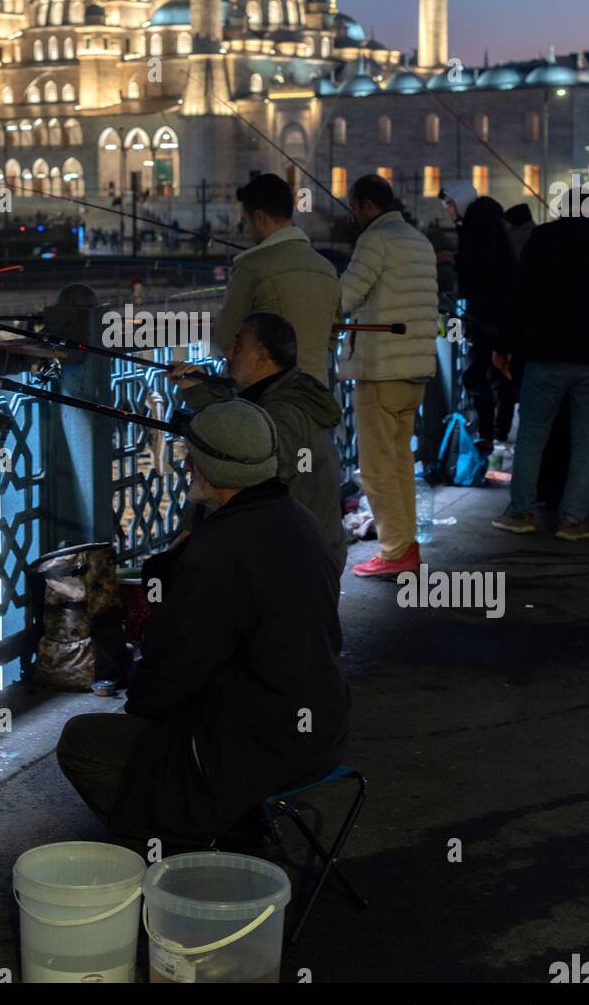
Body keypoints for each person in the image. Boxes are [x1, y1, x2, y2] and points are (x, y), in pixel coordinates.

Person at [57, 400, 350, 850]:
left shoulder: (217, 554)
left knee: (83, 741)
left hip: (262, 747)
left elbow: (163, 683)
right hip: (325, 727)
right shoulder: (299, 519)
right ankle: (228, 825)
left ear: (201, 468)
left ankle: (180, 854)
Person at [171, 311, 346, 573]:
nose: (229, 353)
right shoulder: (277, 395)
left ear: (262, 356)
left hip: (298, 562)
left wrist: (190, 536)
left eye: (238, 345)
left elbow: (245, 469)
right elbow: (238, 448)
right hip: (307, 550)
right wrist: (198, 391)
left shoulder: (285, 411)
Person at [340, 174, 439, 577]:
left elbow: (344, 296)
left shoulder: (375, 240)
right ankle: (405, 545)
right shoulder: (420, 241)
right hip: (415, 369)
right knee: (400, 461)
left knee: (378, 466)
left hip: (382, 370)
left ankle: (396, 550)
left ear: (366, 205)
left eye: (354, 208)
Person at [492, 210, 589, 539]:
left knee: (532, 436)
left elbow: (519, 295)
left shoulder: (542, 239)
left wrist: (503, 345)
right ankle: (574, 520)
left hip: (544, 354)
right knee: (584, 442)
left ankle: (521, 513)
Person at [213, 174, 340, 389]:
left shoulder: (252, 267)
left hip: (270, 399)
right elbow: (332, 335)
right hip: (317, 398)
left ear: (260, 218)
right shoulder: (326, 268)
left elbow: (225, 339)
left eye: (246, 222)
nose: (247, 230)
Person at [454, 197, 517, 453]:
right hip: (500, 318)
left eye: (449, 202)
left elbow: (477, 267)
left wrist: (457, 263)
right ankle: (496, 434)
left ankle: (488, 435)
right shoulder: (496, 229)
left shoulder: (478, 224)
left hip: (484, 317)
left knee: (476, 375)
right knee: (498, 377)